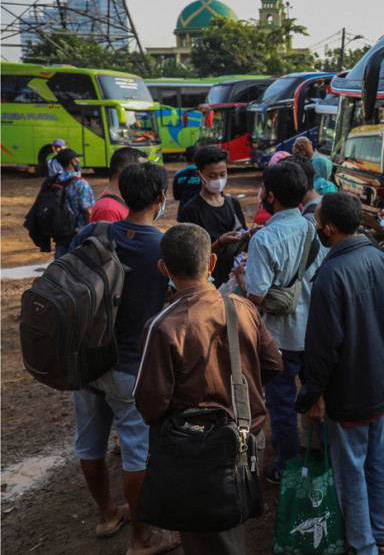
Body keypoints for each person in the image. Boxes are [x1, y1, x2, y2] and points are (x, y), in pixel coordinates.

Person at [134, 223, 283, 554]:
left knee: (209, 539)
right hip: (249, 436)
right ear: (212, 263)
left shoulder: (162, 326)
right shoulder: (242, 306)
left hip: (199, 452)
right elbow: (273, 365)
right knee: (230, 522)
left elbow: (149, 404)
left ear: (164, 269)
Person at [68, 162, 179, 555]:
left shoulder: (91, 232)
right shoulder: (163, 247)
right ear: (160, 199)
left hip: (86, 359)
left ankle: (106, 514)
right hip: (131, 365)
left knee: (89, 443)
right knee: (137, 450)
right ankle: (142, 538)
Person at [295, 192, 384, 555]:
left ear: (328, 228)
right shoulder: (382, 258)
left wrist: (312, 394)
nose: (317, 229)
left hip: (349, 397)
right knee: (377, 465)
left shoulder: (330, 274)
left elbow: (323, 348)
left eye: (318, 224)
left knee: (350, 474)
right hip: (381, 388)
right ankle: (383, 533)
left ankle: (362, 546)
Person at [237, 161, 321, 483]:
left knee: (282, 405)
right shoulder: (315, 227)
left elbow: (255, 298)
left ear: (269, 195)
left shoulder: (264, 239)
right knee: (316, 400)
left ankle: (287, 468)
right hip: (313, 334)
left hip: (279, 340)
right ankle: (322, 461)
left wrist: (243, 277)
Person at [177, 146, 249, 285]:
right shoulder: (191, 210)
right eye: (212, 176)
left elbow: (245, 244)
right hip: (207, 282)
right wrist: (219, 244)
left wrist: (253, 235)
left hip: (234, 279)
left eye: (223, 174)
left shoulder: (233, 204)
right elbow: (190, 256)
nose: (218, 180)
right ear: (199, 175)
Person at [52, 148, 96, 258]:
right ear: (73, 161)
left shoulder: (54, 180)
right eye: (77, 159)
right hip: (78, 233)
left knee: (61, 267)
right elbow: (87, 211)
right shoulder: (81, 183)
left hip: (60, 231)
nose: (79, 161)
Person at [91, 147, 147, 223]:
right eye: (143, 170)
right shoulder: (108, 210)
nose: (147, 176)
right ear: (126, 172)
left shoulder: (119, 203)